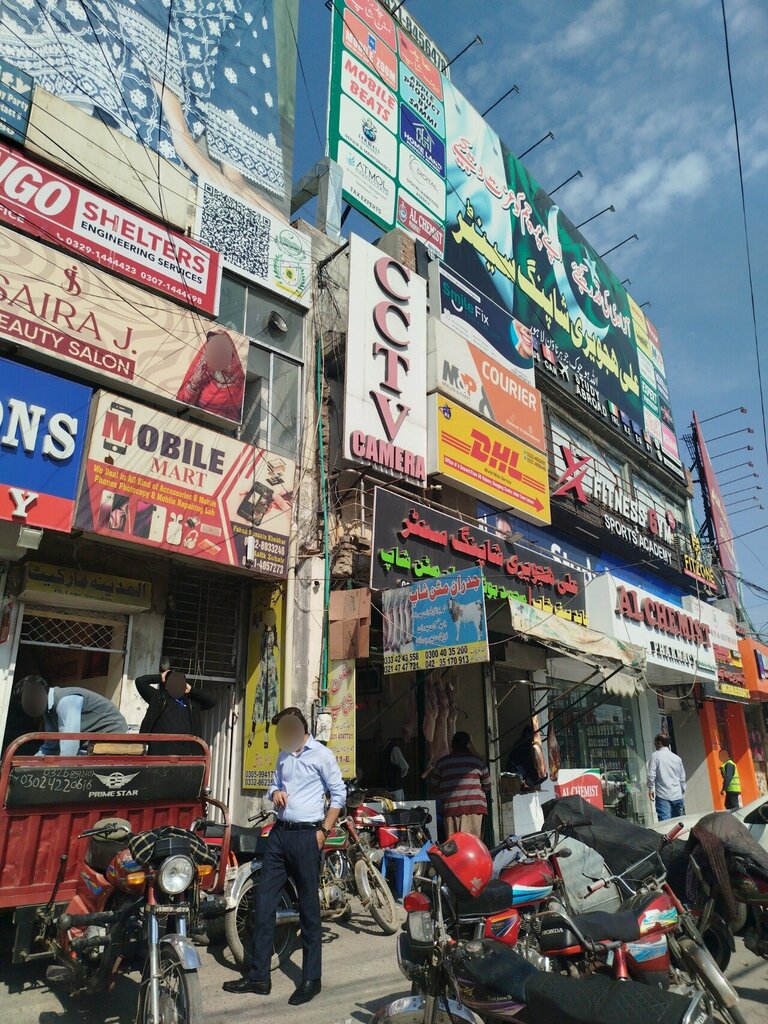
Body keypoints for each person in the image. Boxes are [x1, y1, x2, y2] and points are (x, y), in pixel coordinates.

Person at [223, 706, 346, 1006]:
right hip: (279, 834)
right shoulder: (284, 755)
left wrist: (323, 832)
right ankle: (258, 977)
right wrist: (275, 792)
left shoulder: (322, 755)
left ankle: (310, 979)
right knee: (264, 903)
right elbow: (273, 784)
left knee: (308, 909)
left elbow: (338, 794)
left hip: (307, 836)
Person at [16, 675, 127, 756]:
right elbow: (50, 745)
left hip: (112, 735)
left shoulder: (66, 701)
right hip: (91, 742)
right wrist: (32, 763)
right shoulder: (48, 709)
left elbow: (70, 744)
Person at [135, 658, 215, 755]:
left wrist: (191, 690)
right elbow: (140, 682)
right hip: (159, 753)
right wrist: (160, 677)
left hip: (185, 755)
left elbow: (212, 701)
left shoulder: (191, 703)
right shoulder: (158, 698)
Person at [432, 731, 492, 840]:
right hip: (475, 809)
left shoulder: (442, 763)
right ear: (468, 744)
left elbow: (434, 785)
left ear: (452, 745)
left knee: (454, 845)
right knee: (473, 843)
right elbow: (487, 784)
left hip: (451, 809)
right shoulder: (478, 761)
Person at [647, 733, 687, 820]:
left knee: (665, 824)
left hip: (663, 795)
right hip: (677, 795)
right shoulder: (677, 758)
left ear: (659, 743)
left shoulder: (655, 756)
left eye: (655, 743)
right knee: (678, 823)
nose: (654, 745)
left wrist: (650, 788)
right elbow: (682, 777)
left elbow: (651, 775)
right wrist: (682, 791)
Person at [382, 735, 409, 800]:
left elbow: (405, 766)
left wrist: (398, 776)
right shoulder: (384, 749)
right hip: (391, 788)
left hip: (395, 789)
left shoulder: (394, 749)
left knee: (397, 808)